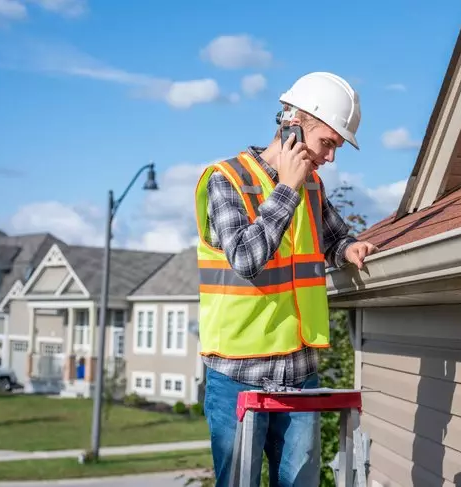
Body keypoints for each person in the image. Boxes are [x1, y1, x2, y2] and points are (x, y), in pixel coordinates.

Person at [194, 72, 378, 487]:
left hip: (299, 369)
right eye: (327, 143)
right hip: (237, 372)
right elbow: (246, 259)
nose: (330, 157)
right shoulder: (227, 179)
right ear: (293, 125)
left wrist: (348, 249)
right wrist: (286, 190)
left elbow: (333, 237)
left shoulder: (311, 186)